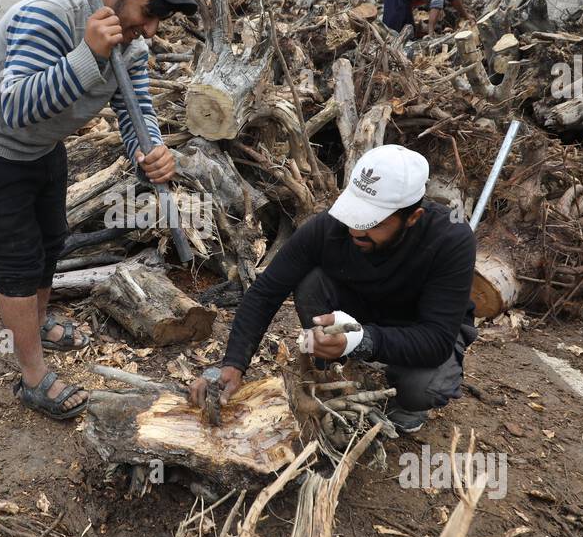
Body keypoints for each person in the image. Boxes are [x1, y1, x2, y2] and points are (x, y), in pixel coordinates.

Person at [0, 0, 198, 421]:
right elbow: (17, 108)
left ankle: (36, 324)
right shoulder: (51, 14)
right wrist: (88, 56)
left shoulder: (134, 48)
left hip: (41, 147)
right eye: (149, 13)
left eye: (160, 20)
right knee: (16, 259)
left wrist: (153, 151)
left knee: (51, 240)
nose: (151, 29)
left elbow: (135, 112)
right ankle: (33, 377)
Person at [188, 145, 478, 435]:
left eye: (373, 222)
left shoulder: (450, 239)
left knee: (422, 389)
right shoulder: (332, 227)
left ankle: (399, 396)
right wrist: (234, 363)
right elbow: (265, 292)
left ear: (412, 217)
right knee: (312, 281)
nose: (355, 231)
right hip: (359, 310)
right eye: (356, 214)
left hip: (418, 327)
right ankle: (330, 368)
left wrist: (362, 340)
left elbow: (437, 339)